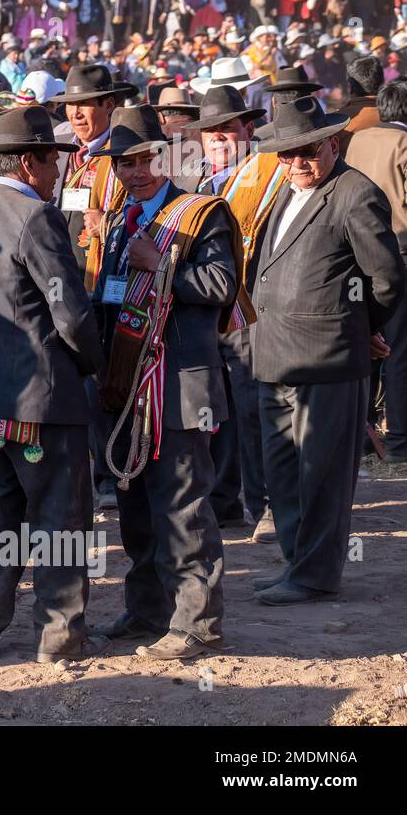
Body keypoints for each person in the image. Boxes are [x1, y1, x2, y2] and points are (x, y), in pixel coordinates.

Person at [0, 106, 107, 663]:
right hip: (39, 400)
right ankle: (59, 636)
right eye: (53, 160)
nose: (58, 171)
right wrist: (94, 365)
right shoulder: (37, 217)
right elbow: (71, 314)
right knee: (60, 518)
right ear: (30, 162)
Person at [89, 104, 242, 661]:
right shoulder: (115, 220)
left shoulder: (200, 214)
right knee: (135, 507)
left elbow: (221, 285)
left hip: (178, 386)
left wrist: (162, 267)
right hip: (127, 385)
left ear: (166, 155)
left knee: (183, 505)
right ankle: (149, 608)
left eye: (145, 158)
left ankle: (197, 622)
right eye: (124, 162)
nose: (136, 171)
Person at [251, 97, 405, 605]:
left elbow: (385, 279)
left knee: (321, 476)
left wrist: (363, 327)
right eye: (287, 153)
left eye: (307, 150)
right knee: (285, 473)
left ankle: (315, 574)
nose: (297, 162)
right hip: (275, 354)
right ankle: (297, 564)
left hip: (329, 358)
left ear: (331, 143)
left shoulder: (355, 193)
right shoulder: (285, 190)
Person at [181, 86, 274, 540]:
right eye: (211, 131)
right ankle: (224, 500)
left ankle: (263, 506)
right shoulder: (198, 182)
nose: (219, 137)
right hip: (209, 313)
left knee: (252, 407)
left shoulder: (266, 176)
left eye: (228, 129)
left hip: (250, 312)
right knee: (215, 410)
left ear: (248, 129)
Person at [55, 64, 137, 510]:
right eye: (71, 105)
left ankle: (109, 473)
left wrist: (111, 225)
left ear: (109, 104)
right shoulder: (67, 152)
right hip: (68, 278)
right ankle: (84, 470)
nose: (77, 114)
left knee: (102, 379)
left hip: (108, 283)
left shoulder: (125, 153)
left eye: (86, 104)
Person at [346, 80, 407, 464]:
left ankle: (364, 435)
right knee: (399, 351)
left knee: (368, 346)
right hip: (399, 255)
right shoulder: (403, 144)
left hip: (357, 256)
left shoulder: (359, 139)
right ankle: (399, 442)